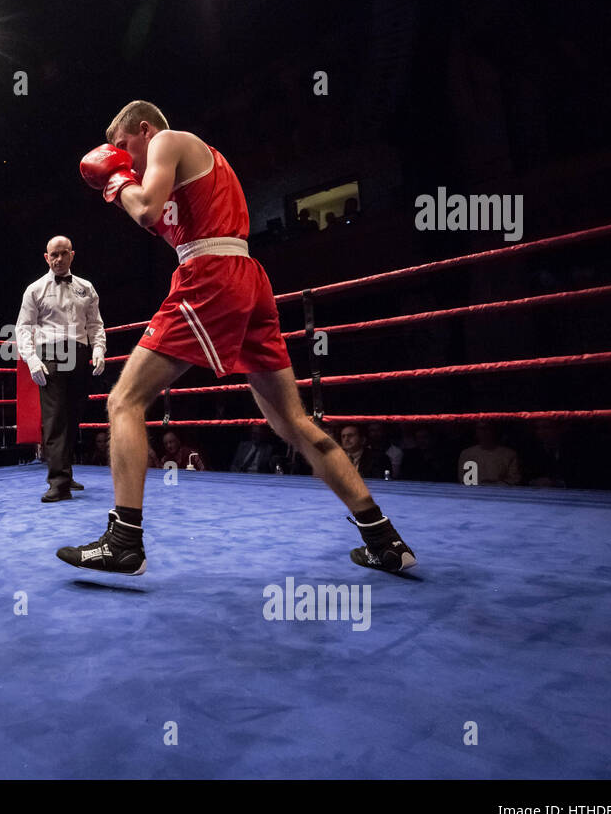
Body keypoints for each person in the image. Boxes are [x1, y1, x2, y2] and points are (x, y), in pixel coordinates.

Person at [65, 100, 416, 574]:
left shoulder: (170, 140)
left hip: (212, 275)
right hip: (245, 279)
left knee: (123, 401)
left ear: (145, 130)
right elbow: (161, 217)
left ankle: (124, 540)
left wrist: (115, 179)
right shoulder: (182, 182)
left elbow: (145, 210)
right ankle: (384, 538)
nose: (124, 159)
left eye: (125, 148)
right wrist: (127, 185)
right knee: (292, 421)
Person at [15, 235, 107, 501]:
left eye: (63, 253)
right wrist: (31, 359)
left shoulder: (86, 287)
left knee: (73, 417)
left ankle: (65, 472)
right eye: (53, 255)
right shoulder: (35, 289)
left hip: (79, 355)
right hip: (51, 356)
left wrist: (99, 349)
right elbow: (23, 328)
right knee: (55, 419)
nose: (58, 259)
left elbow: (95, 325)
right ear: (46, 257)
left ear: (72, 255)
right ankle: (58, 482)